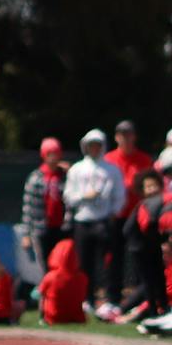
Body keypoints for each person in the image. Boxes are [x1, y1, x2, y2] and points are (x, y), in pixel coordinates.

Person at [63, 128, 125, 319]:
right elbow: (68, 196)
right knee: (83, 262)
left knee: (106, 262)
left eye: (98, 145)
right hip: (83, 221)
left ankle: (107, 300)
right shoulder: (77, 169)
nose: (95, 149)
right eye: (91, 145)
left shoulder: (112, 169)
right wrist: (84, 197)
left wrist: (114, 213)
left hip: (104, 221)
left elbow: (119, 195)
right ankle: (86, 299)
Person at [104, 120, 154, 308]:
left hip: (139, 215)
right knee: (114, 256)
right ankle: (113, 297)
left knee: (140, 255)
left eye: (129, 134)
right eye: (122, 134)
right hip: (116, 215)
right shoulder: (109, 159)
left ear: (134, 136)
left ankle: (142, 296)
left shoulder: (144, 159)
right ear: (117, 137)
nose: (125, 138)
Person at [111, 170, 170, 324]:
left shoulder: (161, 202)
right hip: (142, 248)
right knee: (150, 282)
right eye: (148, 187)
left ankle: (161, 309)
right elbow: (141, 227)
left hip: (151, 247)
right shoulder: (144, 205)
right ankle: (153, 312)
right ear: (142, 190)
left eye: (154, 186)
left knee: (158, 280)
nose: (152, 189)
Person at [19, 137, 68, 277]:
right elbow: (28, 208)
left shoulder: (65, 176)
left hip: (62, 227)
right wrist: (26, 234)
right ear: (44, 155)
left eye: (56, 153)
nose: (53, 157)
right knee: (45, 265)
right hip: (41, 228)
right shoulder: (35, 178)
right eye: (49, 154)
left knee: (62, 262)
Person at [37, 238, 88, 325]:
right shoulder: (82, 277)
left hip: (54, 317)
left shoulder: (50, 276)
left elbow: (41, 296)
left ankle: (42, 319)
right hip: (76, 317)